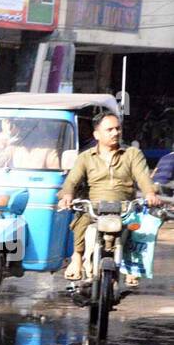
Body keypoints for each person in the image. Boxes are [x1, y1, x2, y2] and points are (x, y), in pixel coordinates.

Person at [57, 112, 160, 285]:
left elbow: (143, 177)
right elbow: (72, 180)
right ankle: (77, 257)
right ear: (97, 134)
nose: (115, 133)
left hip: (125, 208)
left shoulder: (132, 154)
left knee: (140, 228)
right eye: (110, 129)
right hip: (95, 207)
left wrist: (150, 193)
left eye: (117, 129)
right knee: (80, 219)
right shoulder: (85, 157)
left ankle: (131, 266)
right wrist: (67, 195)